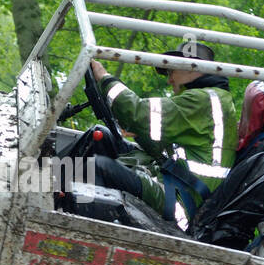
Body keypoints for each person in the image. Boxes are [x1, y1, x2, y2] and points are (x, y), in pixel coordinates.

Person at [86, 40, 236, 225]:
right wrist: (141, 134)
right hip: (178, 185)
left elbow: (137, 113)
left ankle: (73, 227)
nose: (169, 79)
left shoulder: (202, 100)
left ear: (191, 68)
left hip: (180, 202)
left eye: (172, 71)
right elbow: (170, 152)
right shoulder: (212, 98)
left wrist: (104, 78)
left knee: (98, 167)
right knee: (100, 137)